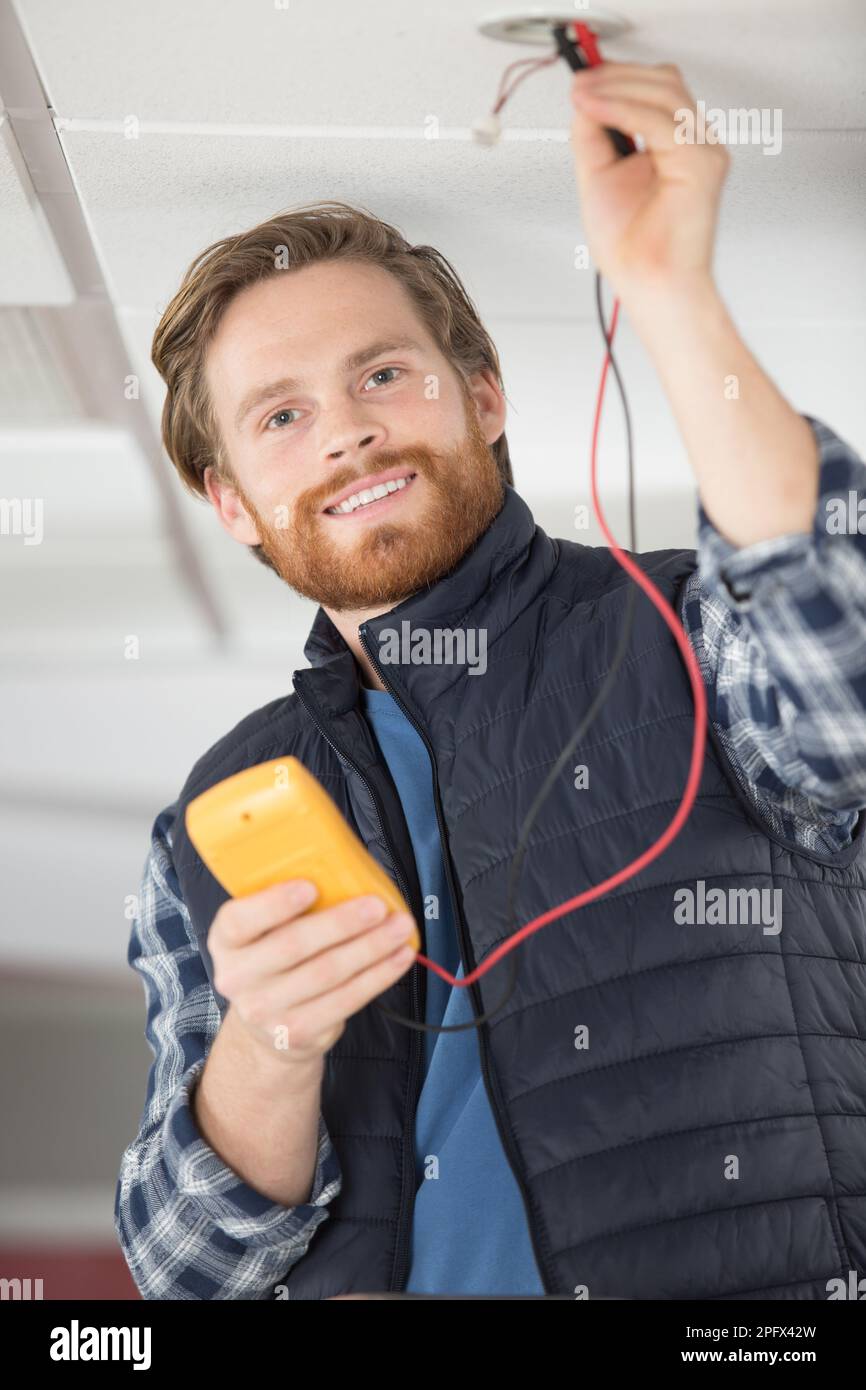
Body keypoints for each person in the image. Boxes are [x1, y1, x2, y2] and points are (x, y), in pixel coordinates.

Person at [116, 61, 866, 1299]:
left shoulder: (682, 627)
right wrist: (271, 1038)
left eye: (381, 375)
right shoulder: (211, 814)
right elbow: (182, 1270)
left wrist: (665, 286)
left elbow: (832, 657)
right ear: (231, 504)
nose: (346, 429)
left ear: (482, 397)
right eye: (279, 416)